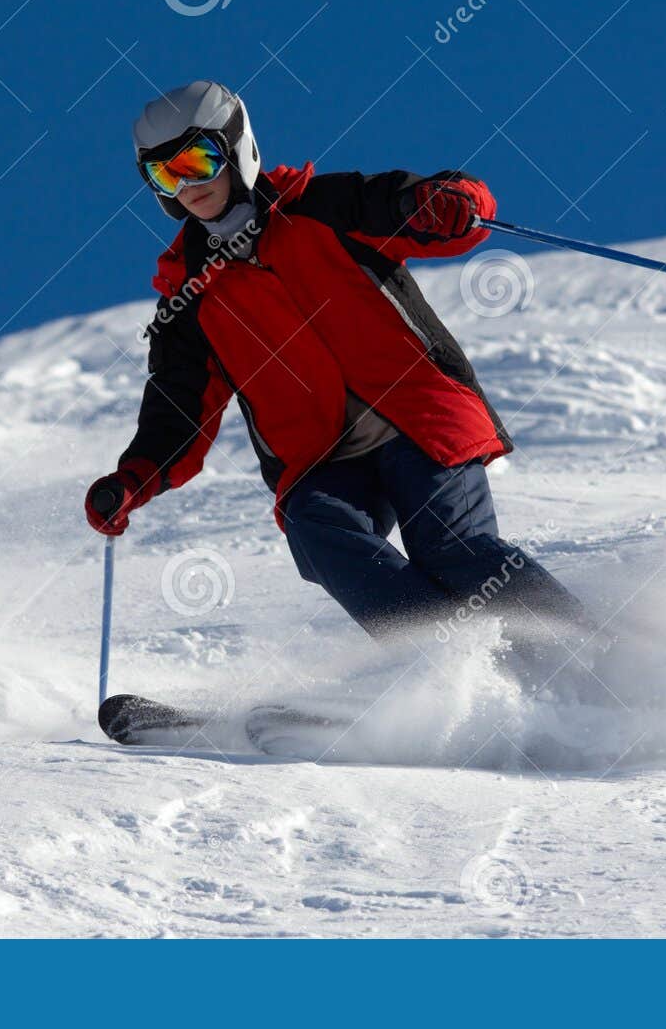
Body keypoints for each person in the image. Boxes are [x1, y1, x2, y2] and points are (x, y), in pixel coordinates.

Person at [86, 80, 585, 668]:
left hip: (417, 419)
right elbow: (178, 409)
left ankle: (591, 656)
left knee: (453, 550)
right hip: (323, 459)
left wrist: (450, 200)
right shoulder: (190, 298)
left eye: (199, 161)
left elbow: (424, 205)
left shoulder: (324, 207)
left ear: (237, 146)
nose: (189, 186)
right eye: (167, 176)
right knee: (317, 529)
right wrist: (133, 479)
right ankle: (445, 665)